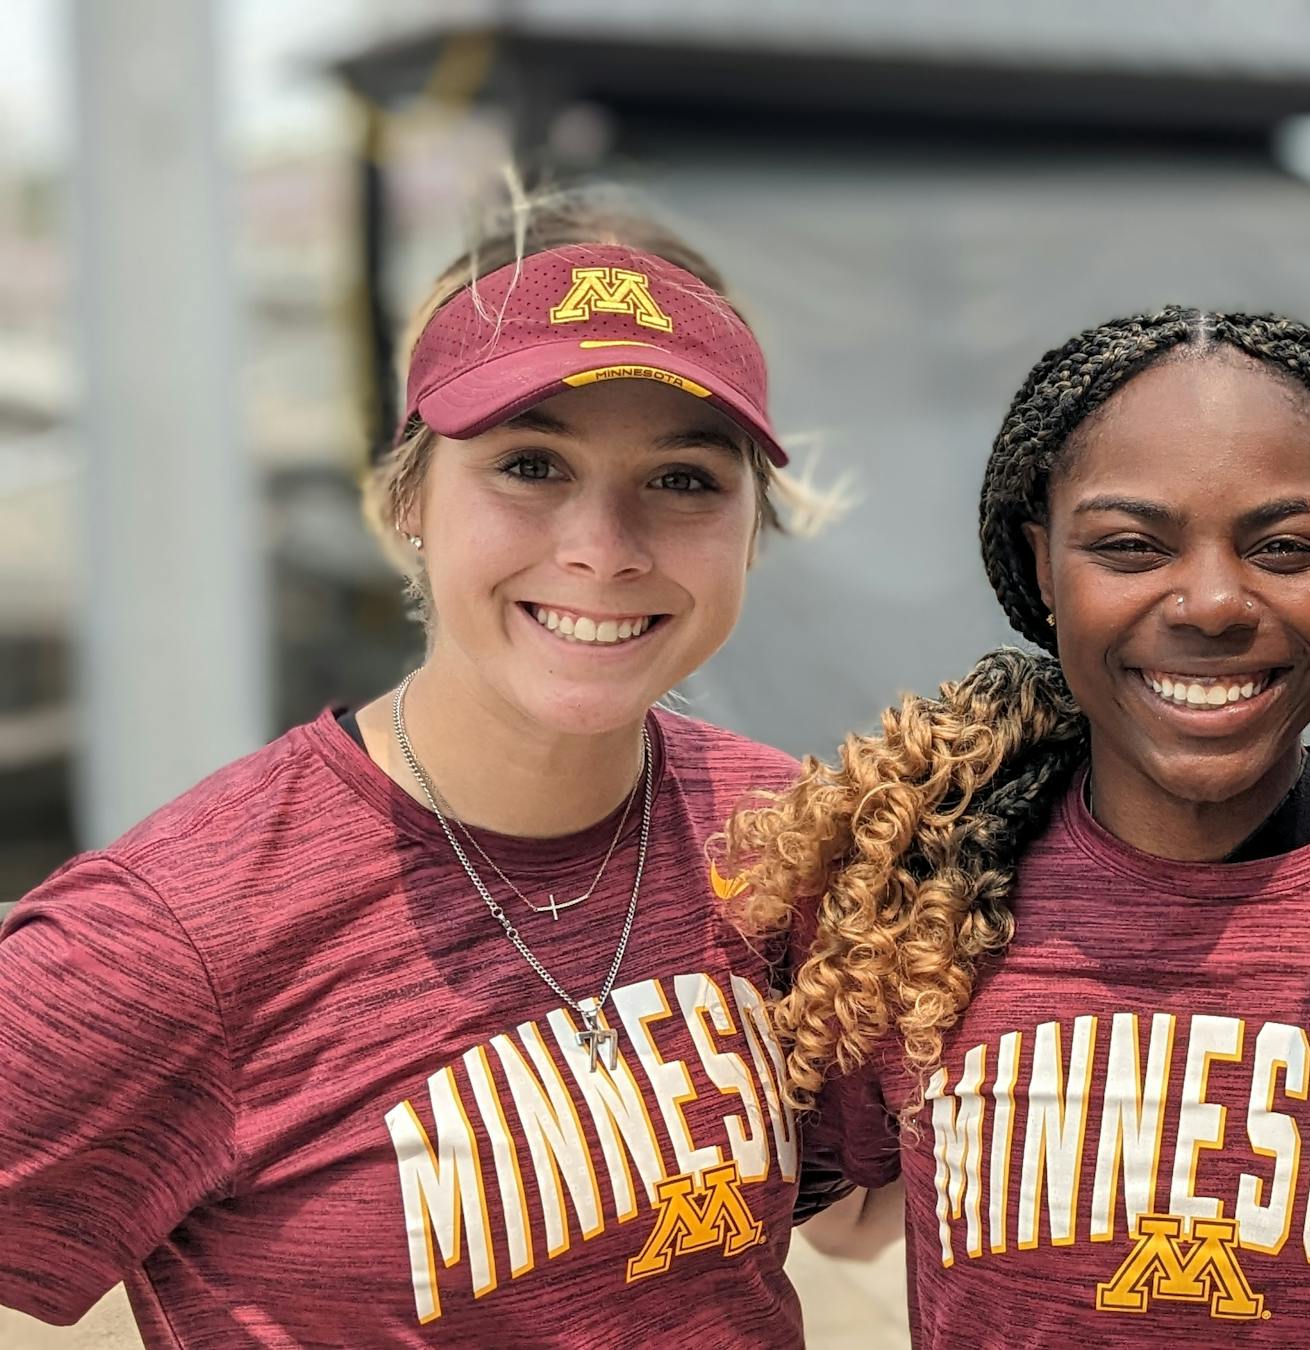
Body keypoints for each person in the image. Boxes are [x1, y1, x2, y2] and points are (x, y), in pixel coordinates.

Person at [0, 195, 861, 1343]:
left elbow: (860, 1217)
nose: (601, 547)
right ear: (410, 498)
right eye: (530, 465)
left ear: (755, 526)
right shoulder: (179, 933)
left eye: (683, 479)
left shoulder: (790, 834)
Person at [727, 306, 1310, 1345]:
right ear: (1043, 566)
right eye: (1132, 545)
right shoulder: (915, 901)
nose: (1214, 601)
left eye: (1284, 545)